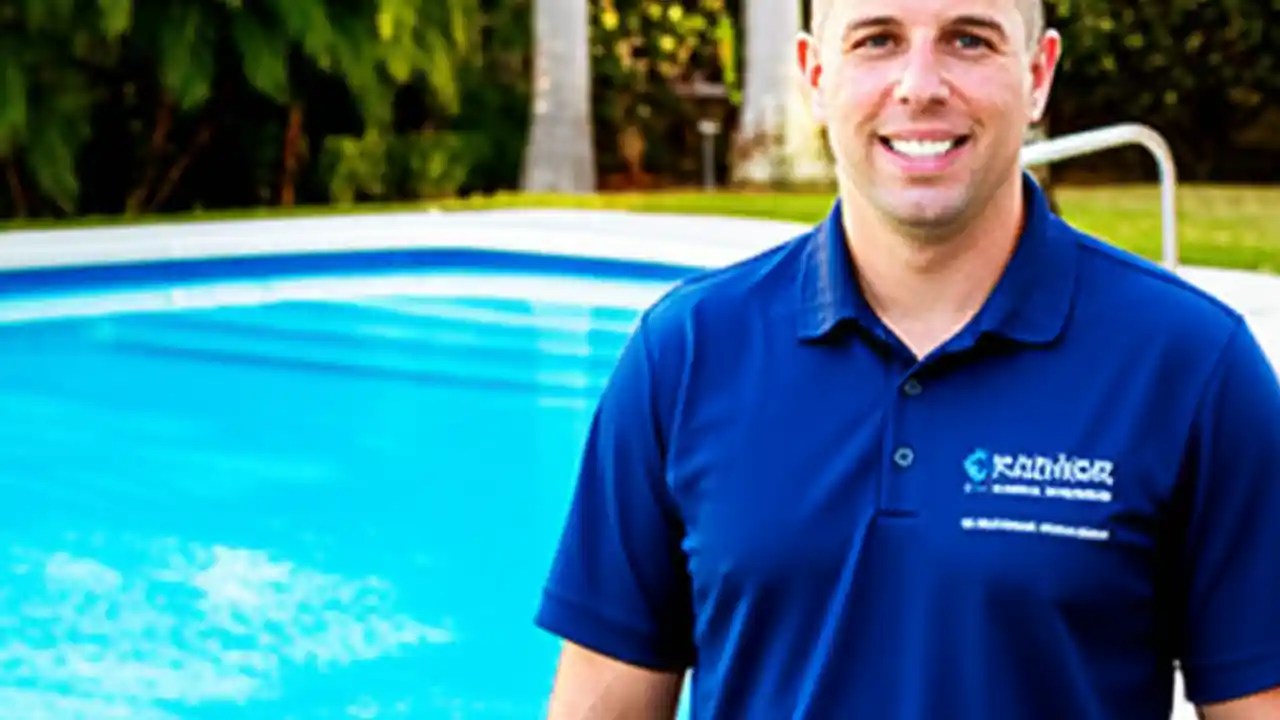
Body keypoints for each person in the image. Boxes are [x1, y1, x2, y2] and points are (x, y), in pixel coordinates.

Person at [533, 0, 1280, 717]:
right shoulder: (686, 355)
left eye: (969, 39)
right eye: (877, 39)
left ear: (1038, 75)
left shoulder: (1191, 368)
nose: (920, 85)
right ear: (816, 75)